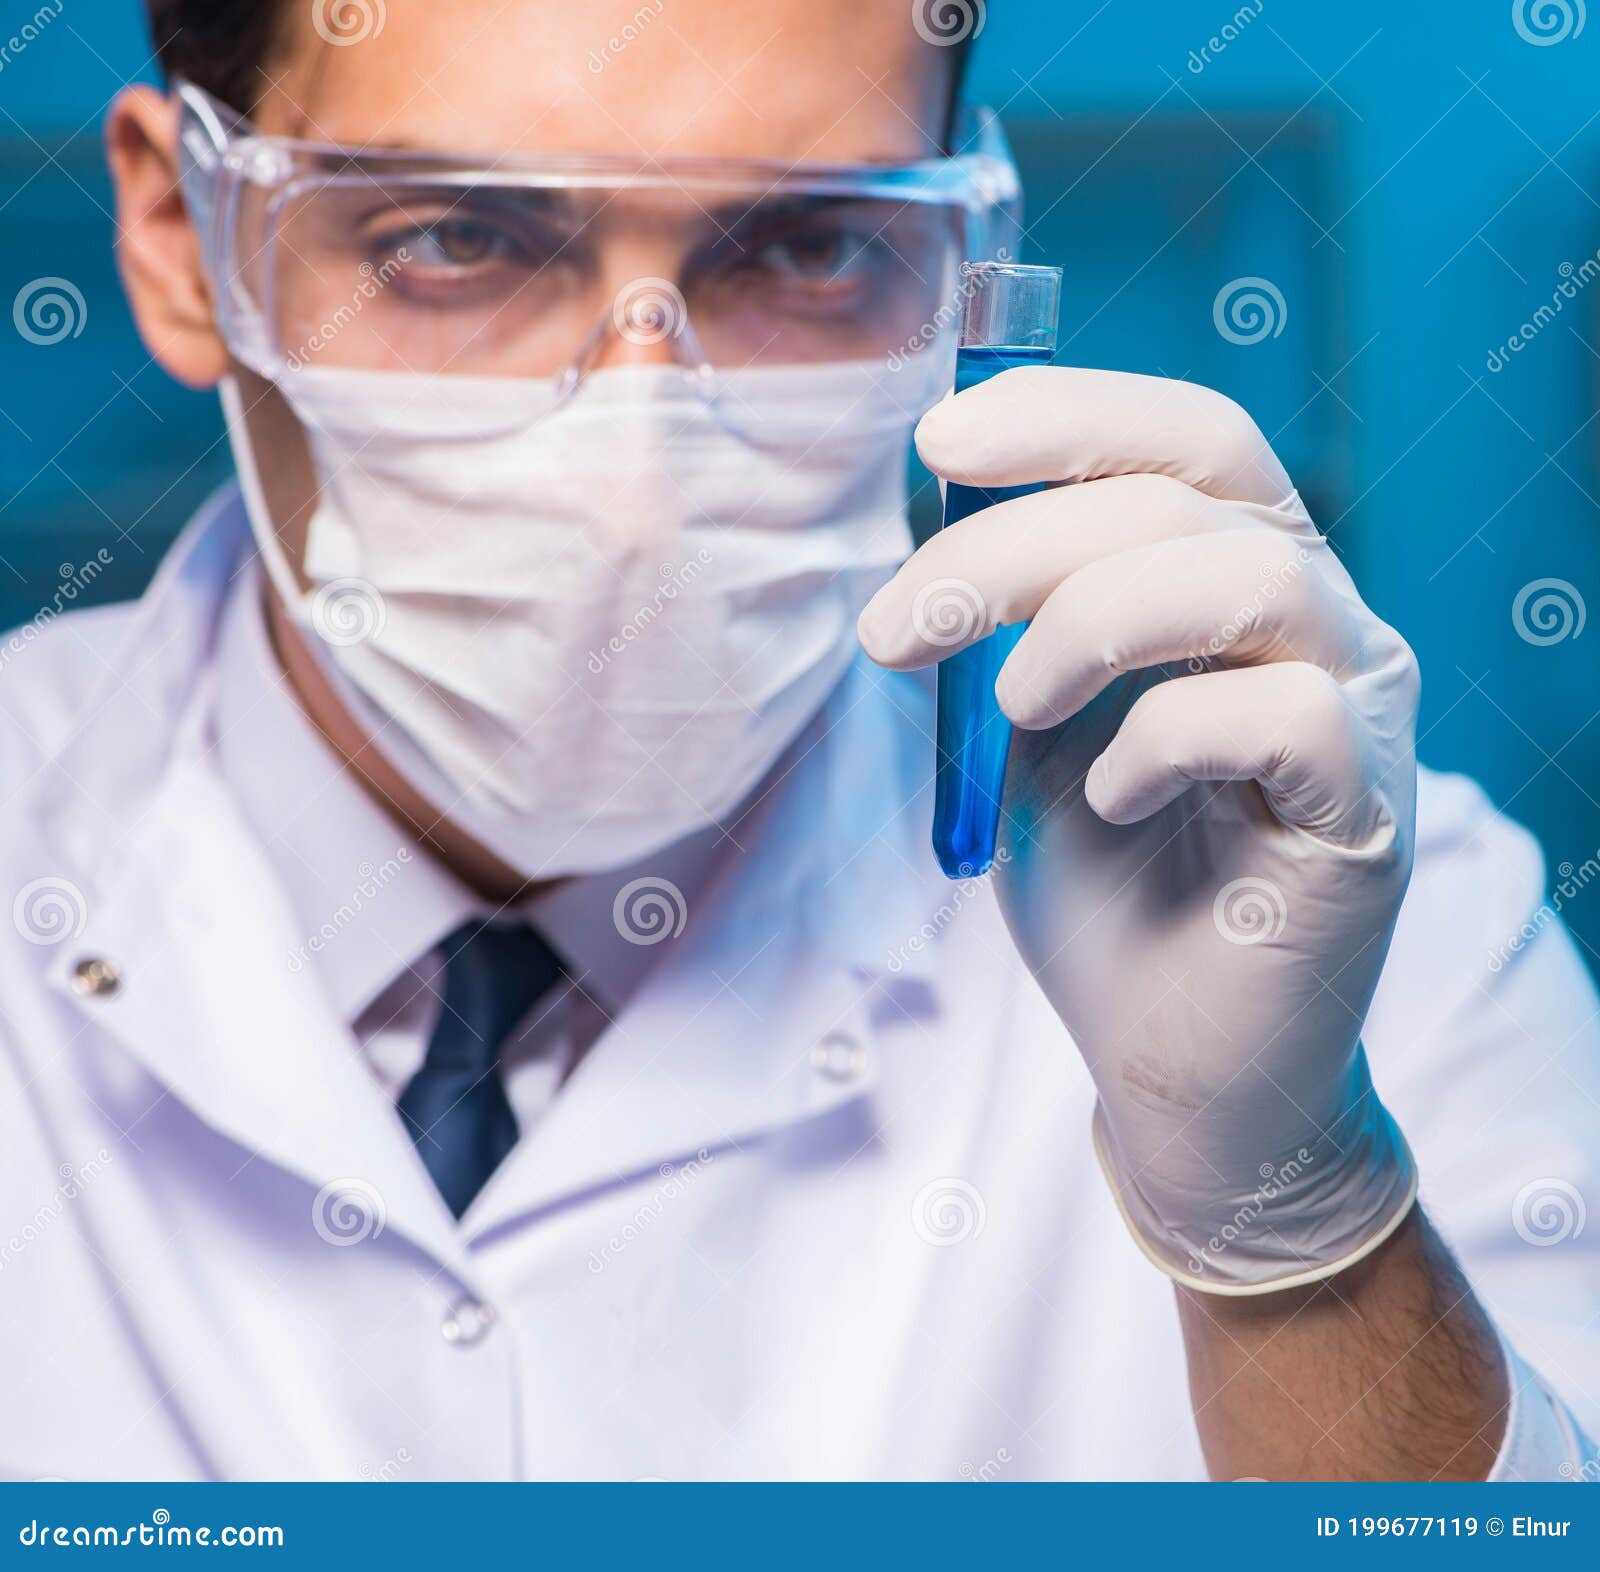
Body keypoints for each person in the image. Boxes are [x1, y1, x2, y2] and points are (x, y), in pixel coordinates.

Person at [3, 0, 1597, 1483]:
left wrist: (1287, 1213)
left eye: (812, 244)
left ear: (963, 256)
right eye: (454, 239)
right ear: (178, 237)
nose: (635, 472)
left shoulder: (1359, 929)